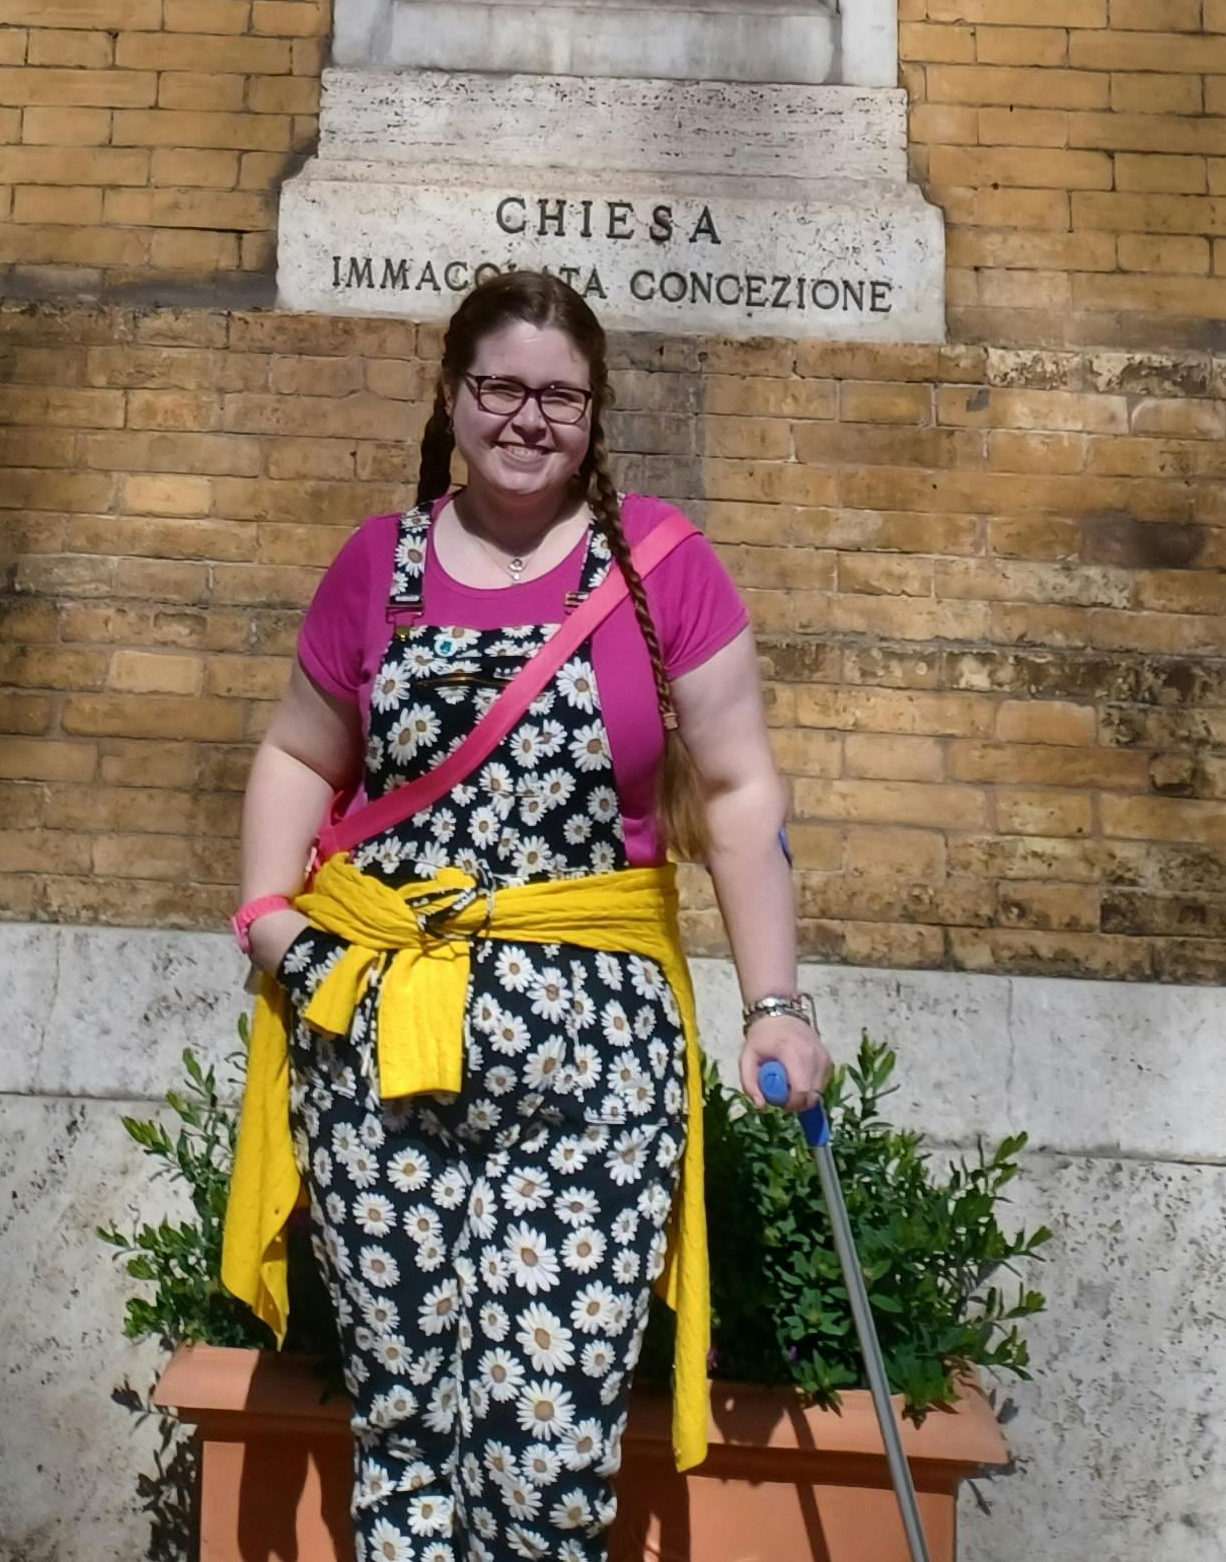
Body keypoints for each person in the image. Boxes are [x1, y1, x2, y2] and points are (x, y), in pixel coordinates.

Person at [220, 270, 828, 1561]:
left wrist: (774, 1005)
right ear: (451, 397)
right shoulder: (376, 567)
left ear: (595, 417)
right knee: (402, 1429)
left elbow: (737, 789)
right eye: (501, 386)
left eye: (562, 396)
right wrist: (271, 921)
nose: (528, 417)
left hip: (594, 1063)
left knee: (546, 1447)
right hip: (378, 1043)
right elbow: (297, 752)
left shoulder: (661, 567)